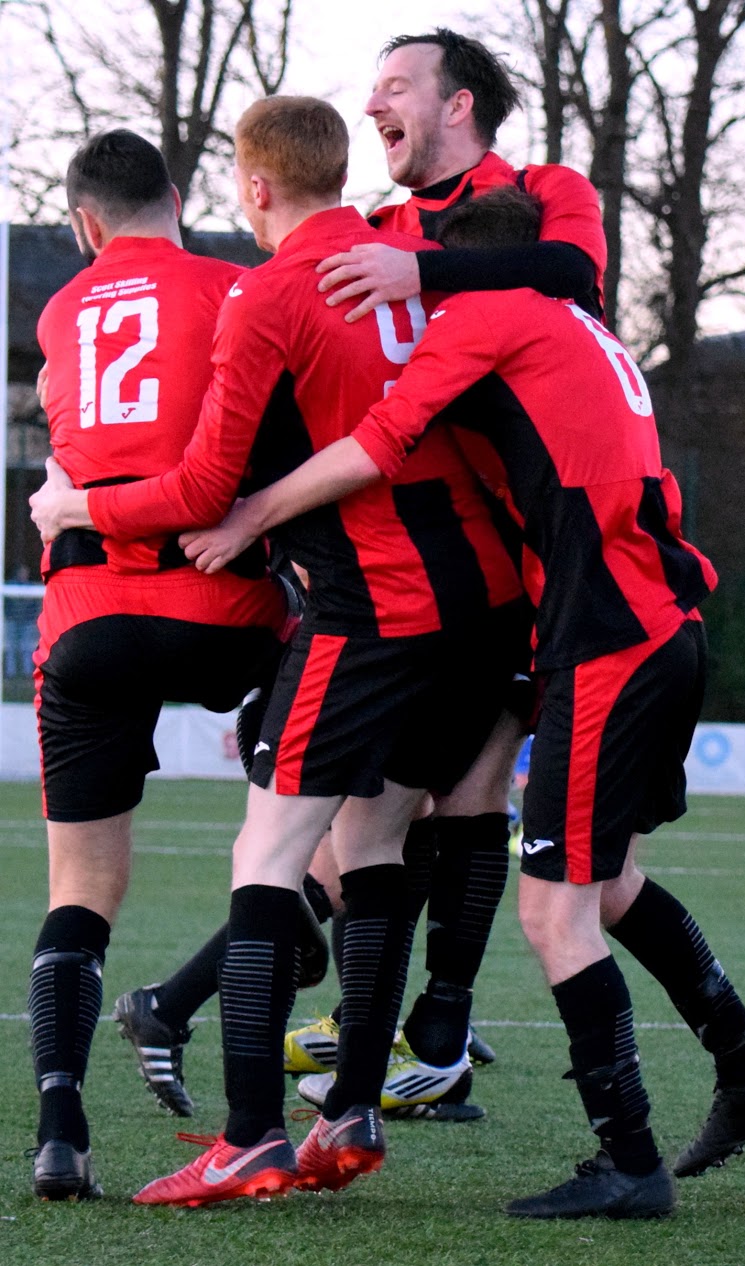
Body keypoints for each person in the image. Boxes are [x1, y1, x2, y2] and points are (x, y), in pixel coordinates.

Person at [179, 185, 745, 1221]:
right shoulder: (575, 320)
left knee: (553, 910)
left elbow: (380, 443)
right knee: (604, 887)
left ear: (458, 260)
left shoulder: (484, 317)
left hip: (611, 640)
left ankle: (630, 1159)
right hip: (656, 624)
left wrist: (254, 510)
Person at [30, 95, 527, 1206]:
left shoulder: (262, 293)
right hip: (490, 602)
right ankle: (354, 1098)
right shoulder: (414, 257)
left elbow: (207, 489)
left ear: (254, 187)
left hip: (369, 607)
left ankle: (250, 1130)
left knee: (268, 852)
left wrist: (75, 512)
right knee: (377, 839)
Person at [279, 27, 611, 1104]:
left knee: (465, 801)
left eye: (393, 86)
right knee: (381, 812)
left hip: (529, 563)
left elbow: (572, 276)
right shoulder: (368, 226)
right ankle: (398, 1032)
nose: (373, 105)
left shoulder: (544, 190)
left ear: (457, 102)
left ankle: (439, 1033)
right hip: (408, 566)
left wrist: (419, 266)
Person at [24, 129, 291, 1200]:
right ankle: (237, 1031)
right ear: (177, 198)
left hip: (86, 612)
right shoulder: (237, 287)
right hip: (230, 599)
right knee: (312, 851)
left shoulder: (55, 311)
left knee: (80, 887)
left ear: (85, 224)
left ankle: (59, 1128)